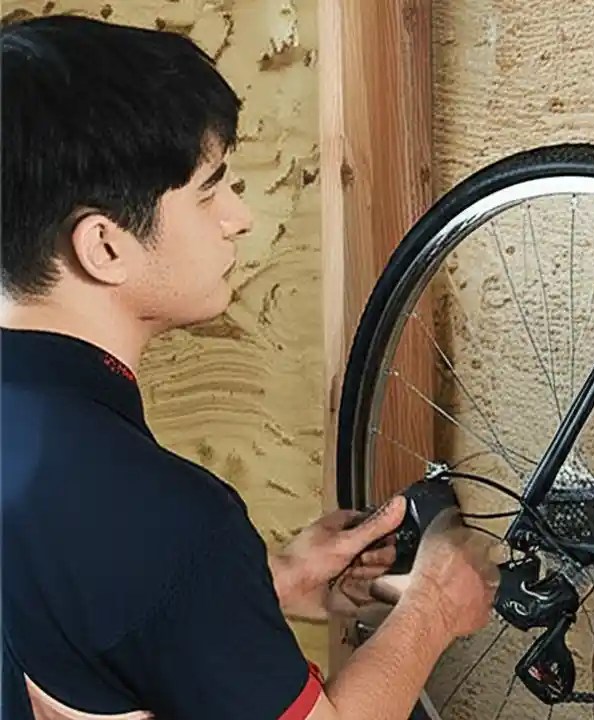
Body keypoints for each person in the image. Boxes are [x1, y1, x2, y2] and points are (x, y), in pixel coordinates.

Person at [0, 13, 499, 720]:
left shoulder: (49, 456)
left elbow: (89, 611)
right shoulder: (165, 519)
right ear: (104, 247)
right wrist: (435, 606)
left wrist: (268, 583)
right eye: (210, 190)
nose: (238, 217)